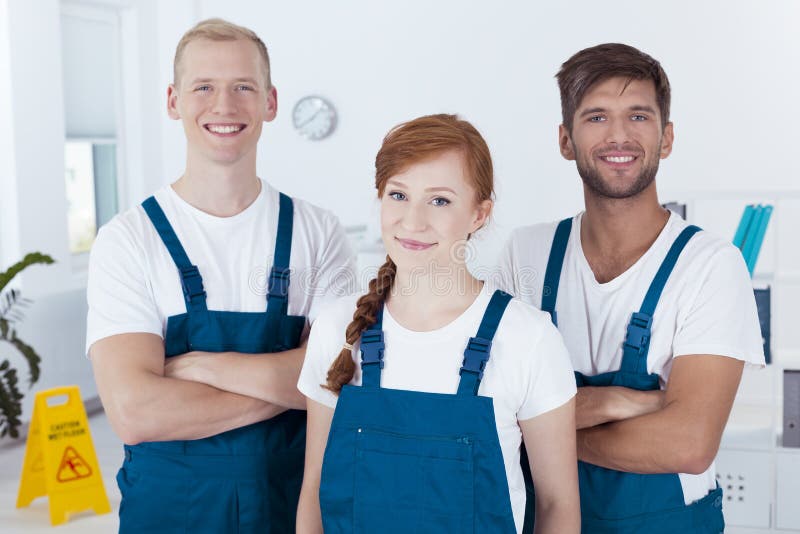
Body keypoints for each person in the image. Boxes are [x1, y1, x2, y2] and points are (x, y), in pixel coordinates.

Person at [86, 18, 356, 533]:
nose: (224, 106)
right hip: (169, 513)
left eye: (243, 87)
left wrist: (203, 366)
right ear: (173, 100)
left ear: (271, 102)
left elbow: (342, 380)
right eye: (204, 87)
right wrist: (290, 382)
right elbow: (135, 412)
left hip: (293, 505)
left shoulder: (317, 233)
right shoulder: (129, 240)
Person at [496, 43, 765, 533]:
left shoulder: (710, 266)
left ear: (666, 138)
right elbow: (485, 408)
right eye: (596, 117)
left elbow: (688, 443)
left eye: (638, 116)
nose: (618, 135)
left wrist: (536, 428)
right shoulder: (525, 254)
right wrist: (618, 403)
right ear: (565, 140)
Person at [295, 114, 581, 534]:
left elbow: (558, 507)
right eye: (398, 195)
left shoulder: (527, 338)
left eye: (440, 200)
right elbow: (314, 493)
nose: (412, 221)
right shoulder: (337, 328)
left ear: (479, 214)